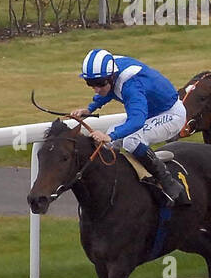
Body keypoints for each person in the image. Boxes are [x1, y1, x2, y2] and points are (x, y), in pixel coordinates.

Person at [68, 49, 188, 205]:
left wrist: (110, 136)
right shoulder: (110, 71)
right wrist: (90, 109)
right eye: (90, 84)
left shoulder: (131, 86)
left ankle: (169, 184)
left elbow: (137, 120)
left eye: (99, 83)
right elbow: (107, 91)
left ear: (111, 76)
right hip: (150, 113)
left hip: (171, 114)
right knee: (111, 136)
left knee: (130, 141)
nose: (96, 88)